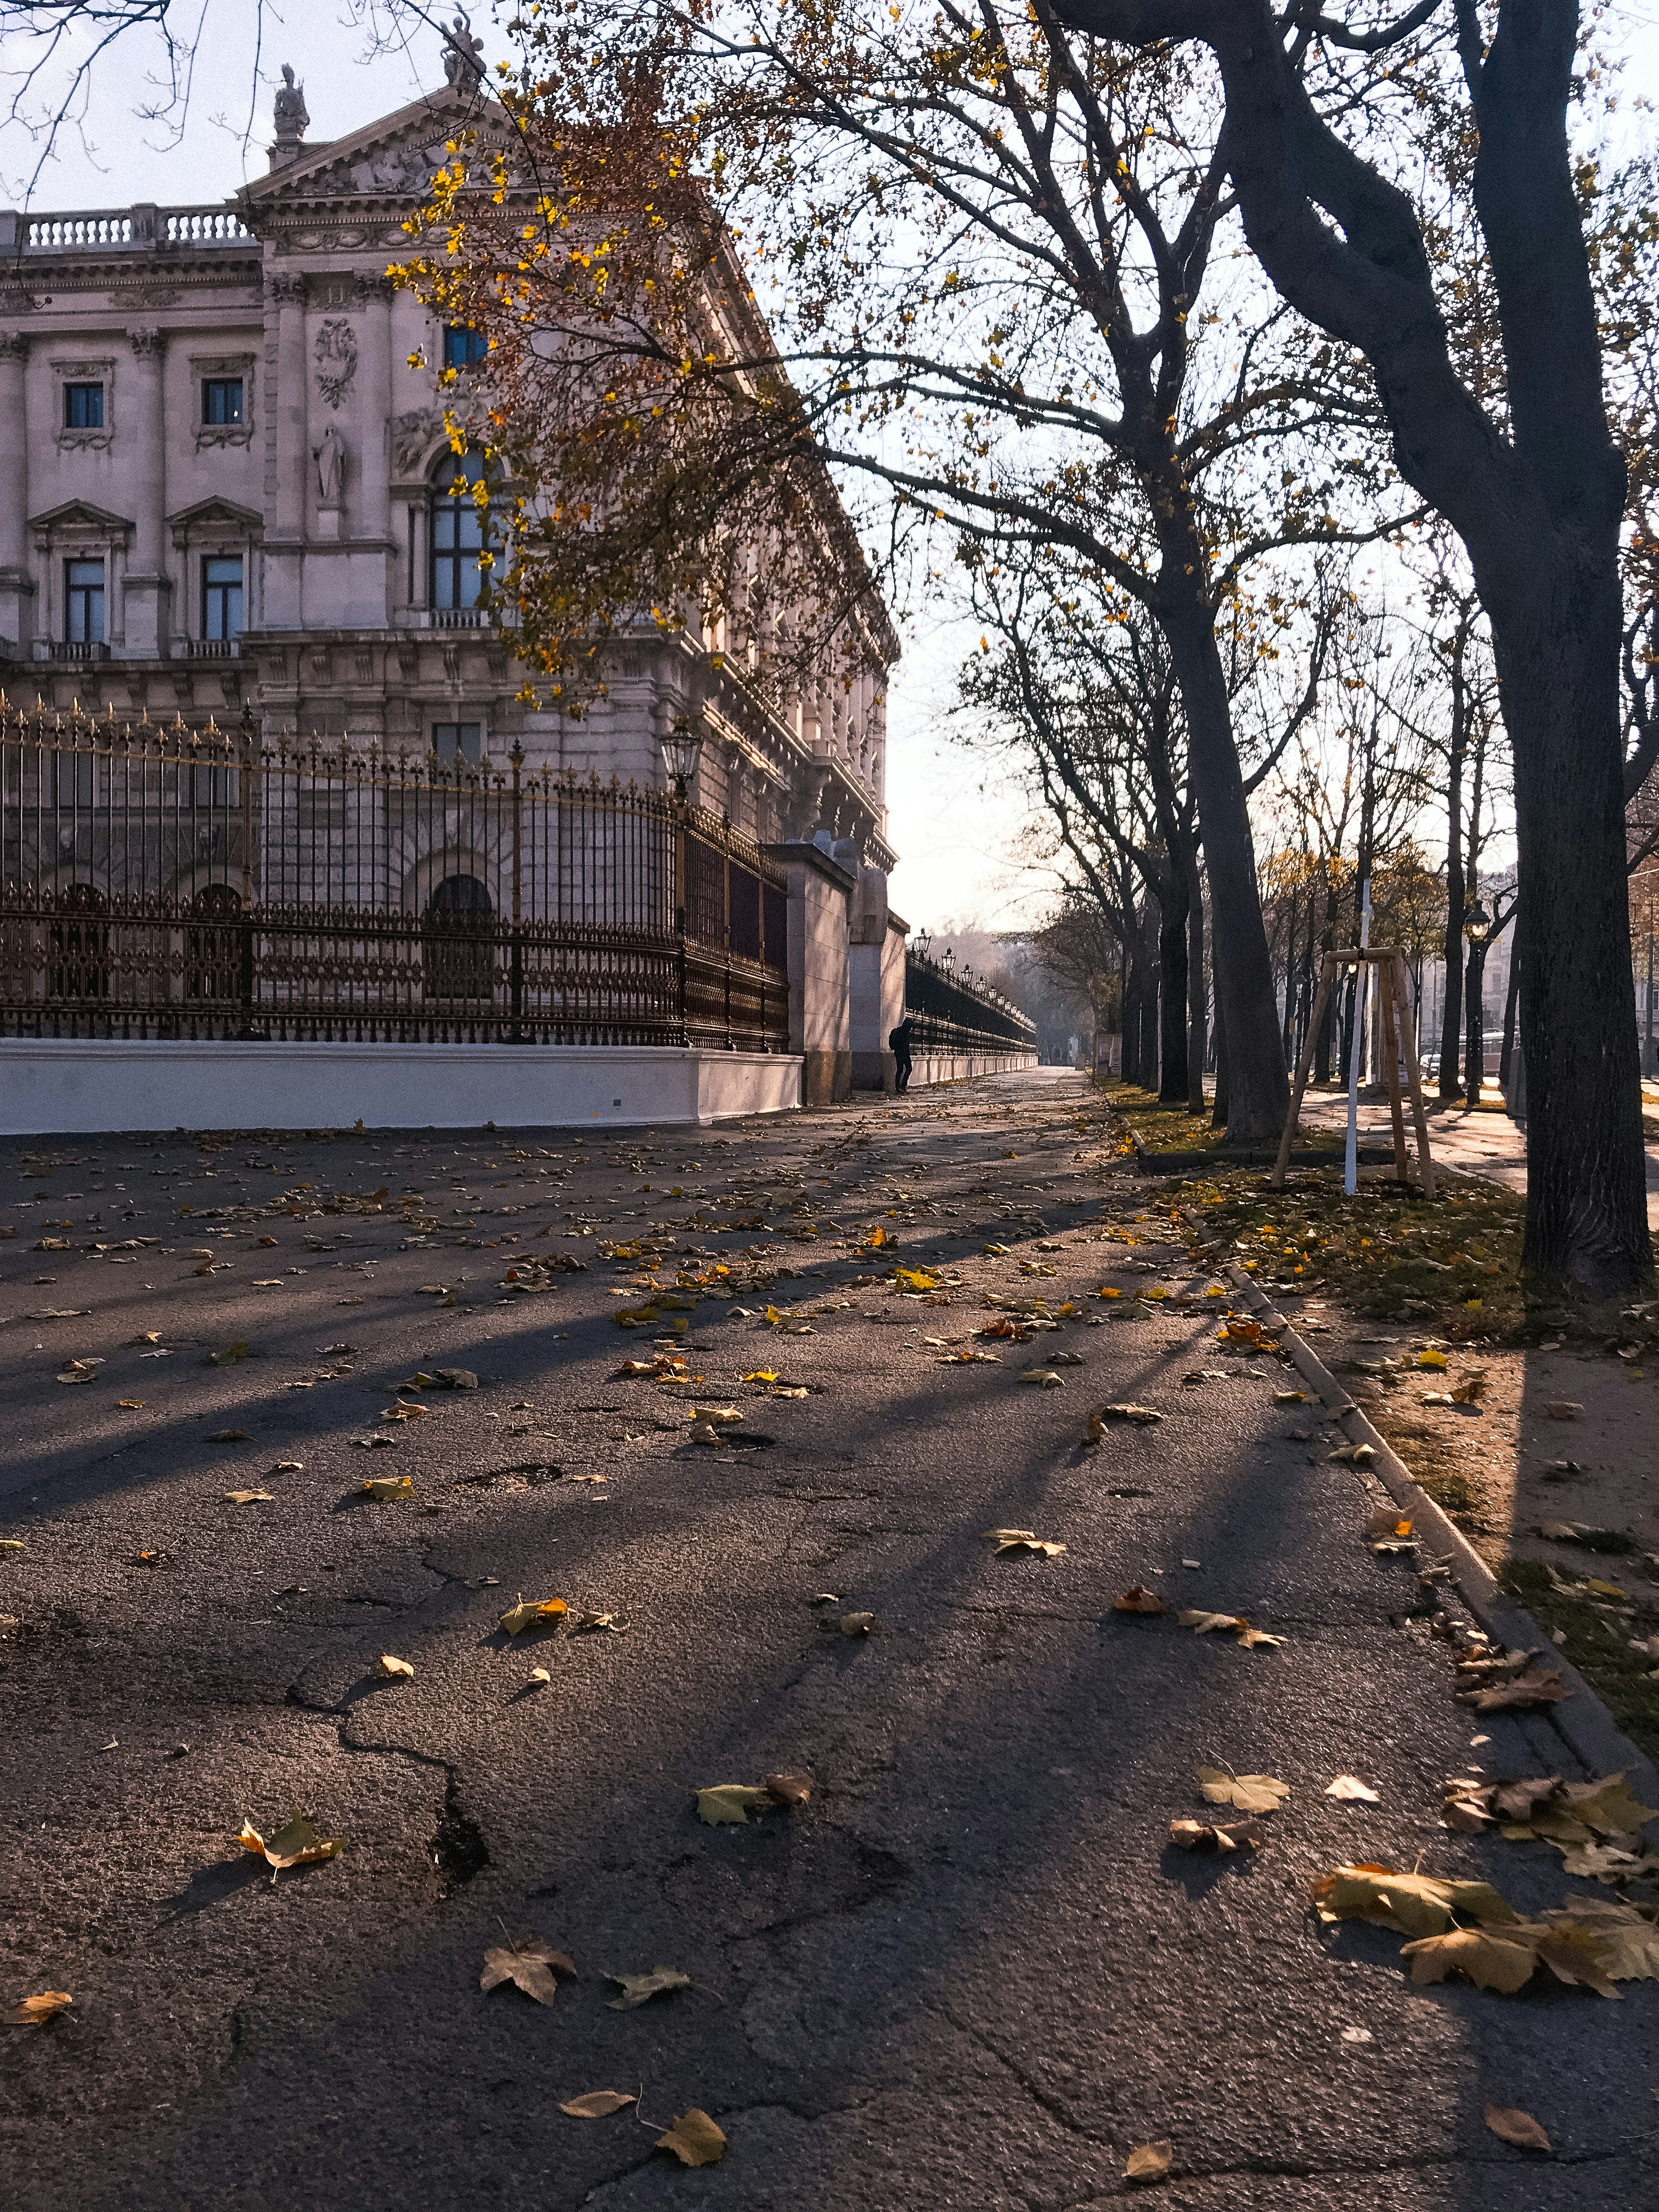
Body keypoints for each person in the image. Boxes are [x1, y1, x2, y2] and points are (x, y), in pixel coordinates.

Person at [888, 1015, 915, 1095]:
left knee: (900, 1069)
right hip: (904, 1053)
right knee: (908, 1068)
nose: (911, 1029)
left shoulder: (897, 1031)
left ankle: (898, 1087)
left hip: (898, 1053)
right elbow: (906, 1045)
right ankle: (902, 1086)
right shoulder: (905, 1033)